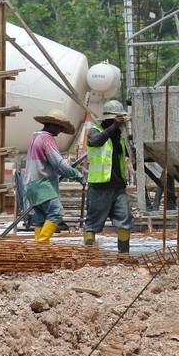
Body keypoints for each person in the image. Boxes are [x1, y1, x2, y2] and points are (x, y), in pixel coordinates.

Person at [23, 109, 83, 243]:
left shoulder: (35, 137)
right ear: (52, 125)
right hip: (42, 184)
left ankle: (39, 247)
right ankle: (42, 244)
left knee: (41, 217)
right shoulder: (46, 139)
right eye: (60, 128)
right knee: (56, 212)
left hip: (31, 184)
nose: (59, 131)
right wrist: (76, 174)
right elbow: (58, 163)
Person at [84, 100, 135, 254]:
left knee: (125, 220)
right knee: (92, 224)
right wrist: (113, 127)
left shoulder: (119, 136)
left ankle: (124, 256)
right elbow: (95, 141)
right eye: (117, 121)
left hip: (118, 187)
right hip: (100, 186)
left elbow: (126, 155)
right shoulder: (95, 131)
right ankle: (89, 256)